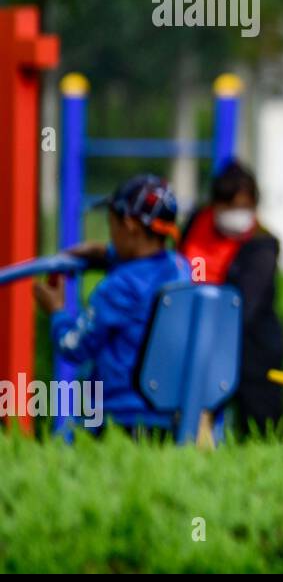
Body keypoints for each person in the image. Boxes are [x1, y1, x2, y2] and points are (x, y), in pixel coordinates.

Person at [33, 174, 191, 438]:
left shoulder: (117, 288)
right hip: (165, 416)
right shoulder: (179, 268)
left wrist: (56, 311)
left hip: (117, 418)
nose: (111, 235)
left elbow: (73, 347)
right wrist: (107, 255)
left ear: (129, 225)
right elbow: (147, 267)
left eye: (112, 226)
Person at [179, 160, 283, 436]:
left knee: (259, 430)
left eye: (245, 207)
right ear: (216, 204)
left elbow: (245, 306)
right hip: (197, 340)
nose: (238, 215)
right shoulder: (197, 225)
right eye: (231, 207)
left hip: (251, 349)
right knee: (191, 425)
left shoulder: (262, 245)